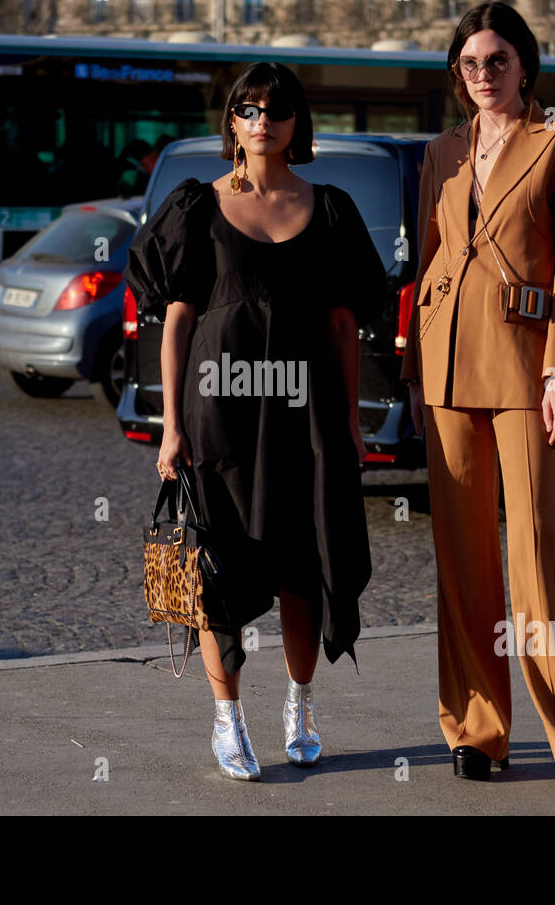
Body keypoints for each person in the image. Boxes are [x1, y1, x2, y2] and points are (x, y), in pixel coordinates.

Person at [125, 61, 386, 781]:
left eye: (276, 108)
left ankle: (300, 705)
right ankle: (226, 718)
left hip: (307, 421)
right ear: (231, 122)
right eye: (247, 108)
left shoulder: (329, 208)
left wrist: (353, 422)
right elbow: (175, 323)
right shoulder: (194, 208)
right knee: (221, 574)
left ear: (297, 122)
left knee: (307, 571)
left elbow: (341, 327)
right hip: (220, 419)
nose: (261, 119)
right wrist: (171, 425)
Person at [400, 1, 555, 793]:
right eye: (470, 63)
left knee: (539, 553)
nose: (483, 75)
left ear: (525, 66)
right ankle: (479, 729)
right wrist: (417, 373)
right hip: (448, 366)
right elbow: (427, 265)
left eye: (497, 61)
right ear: (457, 74)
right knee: (461, 559)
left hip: (527, 369)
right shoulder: (441, 154)